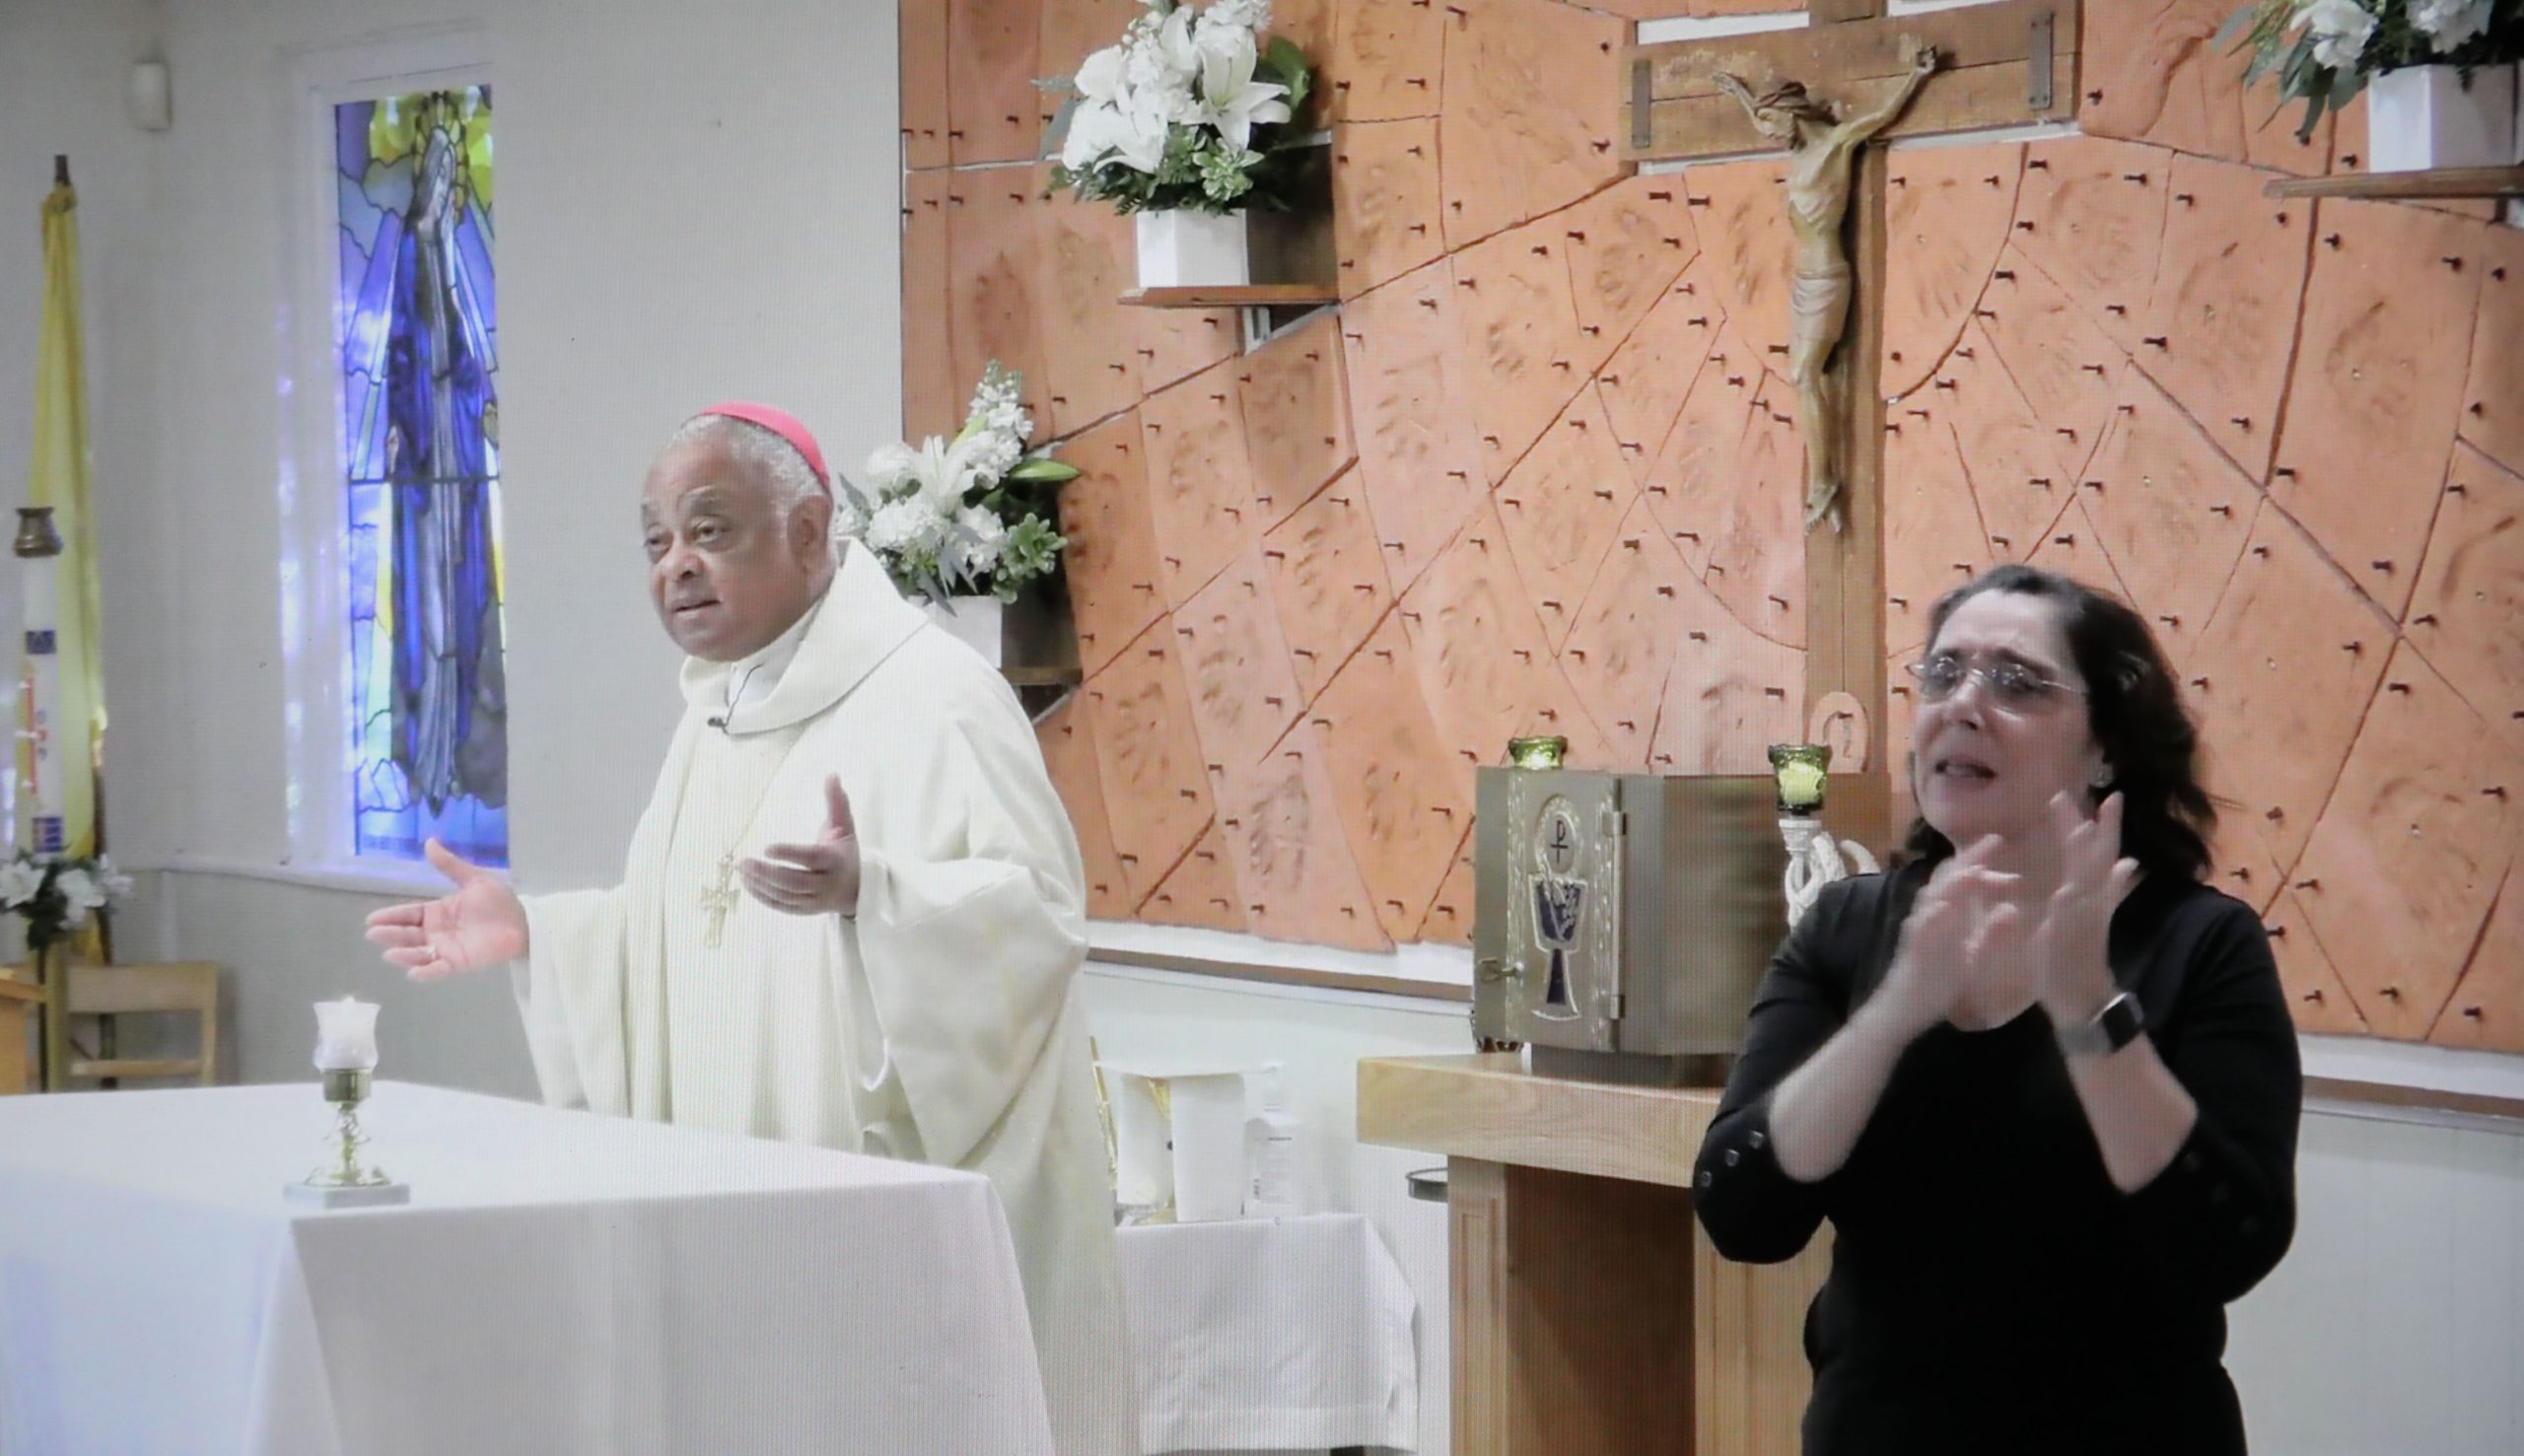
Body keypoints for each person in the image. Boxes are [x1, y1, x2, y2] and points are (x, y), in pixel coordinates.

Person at [366, 402, 1138, 1456]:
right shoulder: (714, 718)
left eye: (709, 529)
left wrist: (879, 890)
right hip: (743, 1232)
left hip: (884, 1247)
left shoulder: (937, 695)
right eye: (656, 540)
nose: (675, 565)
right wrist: (539, 935)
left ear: (812, 531)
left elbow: (1038, 915)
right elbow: (679, 938)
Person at [1693, 564, 2301, 1454]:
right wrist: (1895, 1012)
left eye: (2017, 682)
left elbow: (2228, 1245)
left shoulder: (2201, 944)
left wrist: (2087, 1003)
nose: (1962, 704)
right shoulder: (1847, 927)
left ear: (2106, 749)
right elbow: (1742, 1214)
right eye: (1942, 673)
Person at [1713, 38, 1938, 530]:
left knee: (1804, 376)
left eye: (1773, 123)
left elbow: (1881, 116)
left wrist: (1917, 76)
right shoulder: (1792, 144)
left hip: (1828, 279)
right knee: (1805, 376)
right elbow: (1760, 117)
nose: (1768, 134)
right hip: (1801, 280)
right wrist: (1740, 94)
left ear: (1793, 115)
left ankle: (1824, 484)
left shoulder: (1836, 145)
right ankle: (1823, 483)